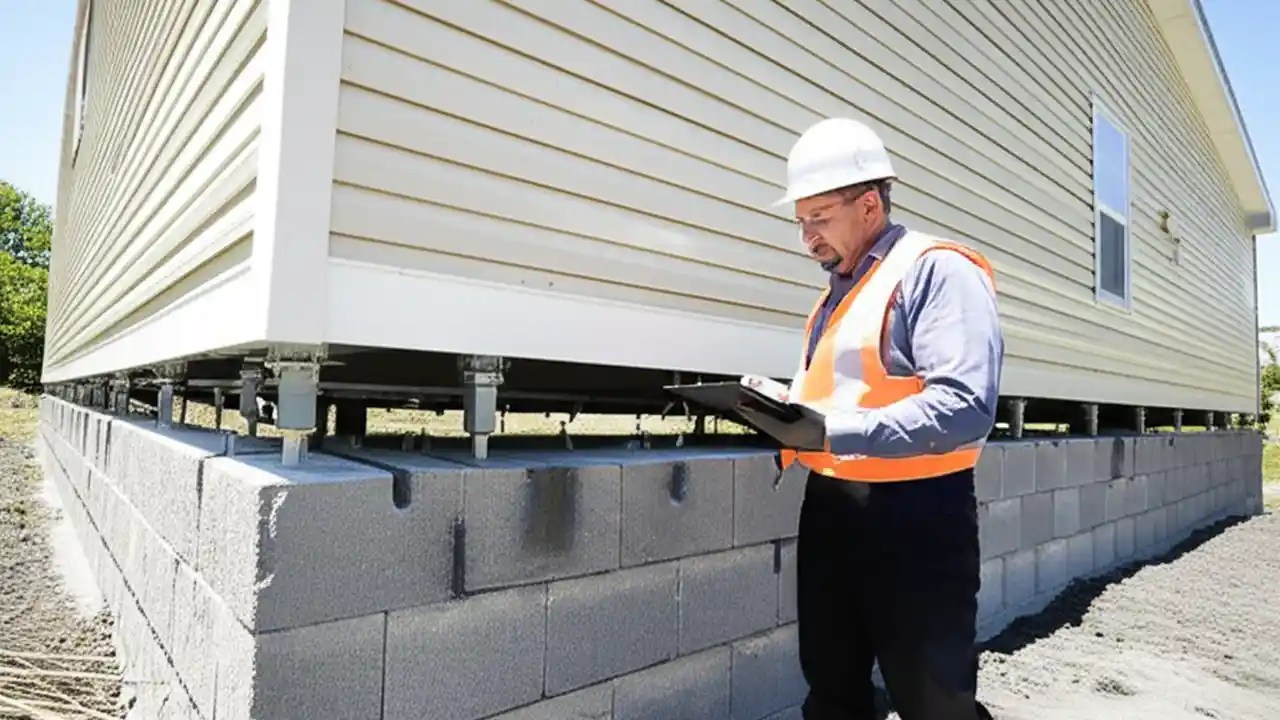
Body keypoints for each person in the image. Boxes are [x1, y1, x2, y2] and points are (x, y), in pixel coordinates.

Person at [773, 117, 1004, 720]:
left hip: (918, 517)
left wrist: (828, 430)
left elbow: (964, 406)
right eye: (800, 222)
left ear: (868, 203)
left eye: (818, 219)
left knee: (934, 703)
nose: (807, 237)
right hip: (832, 510)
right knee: (832, 693)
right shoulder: (839, 291)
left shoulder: (936, 270)